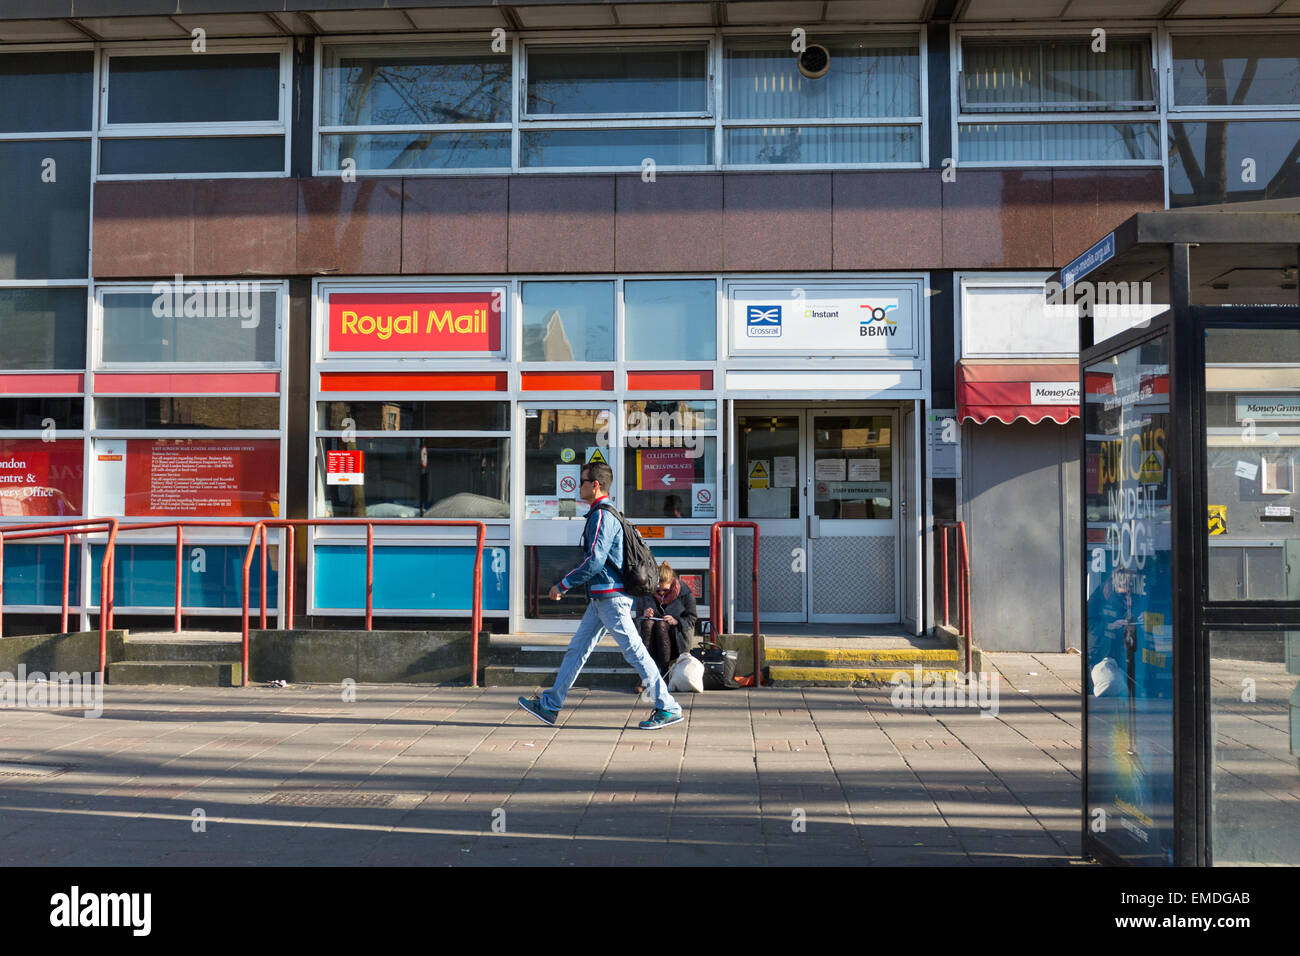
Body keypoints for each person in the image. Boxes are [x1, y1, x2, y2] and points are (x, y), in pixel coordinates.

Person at [517, 461, 684, 731]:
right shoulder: (603, 514)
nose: (578, 486)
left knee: (635, 652)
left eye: (582, 481)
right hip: (601, 598)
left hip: (611, 598)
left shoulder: (602, 516)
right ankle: (550, 705)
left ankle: (668, 706)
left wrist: (563, 584)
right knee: (577, 650)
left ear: (595, 485)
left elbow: (595, 561)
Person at [634, 562, 697, 680]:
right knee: (648, 624)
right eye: (658, 590)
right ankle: (645, 674)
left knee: (661, 625)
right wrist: (644, 614)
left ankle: (664, 673)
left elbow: (692, 618)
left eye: (666, 590)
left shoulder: (684, 592)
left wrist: (676, 621)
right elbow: (637, 620)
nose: (662, 593)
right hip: (651, 637)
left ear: (672, 583)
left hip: (676, 638)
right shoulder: (645, 592)